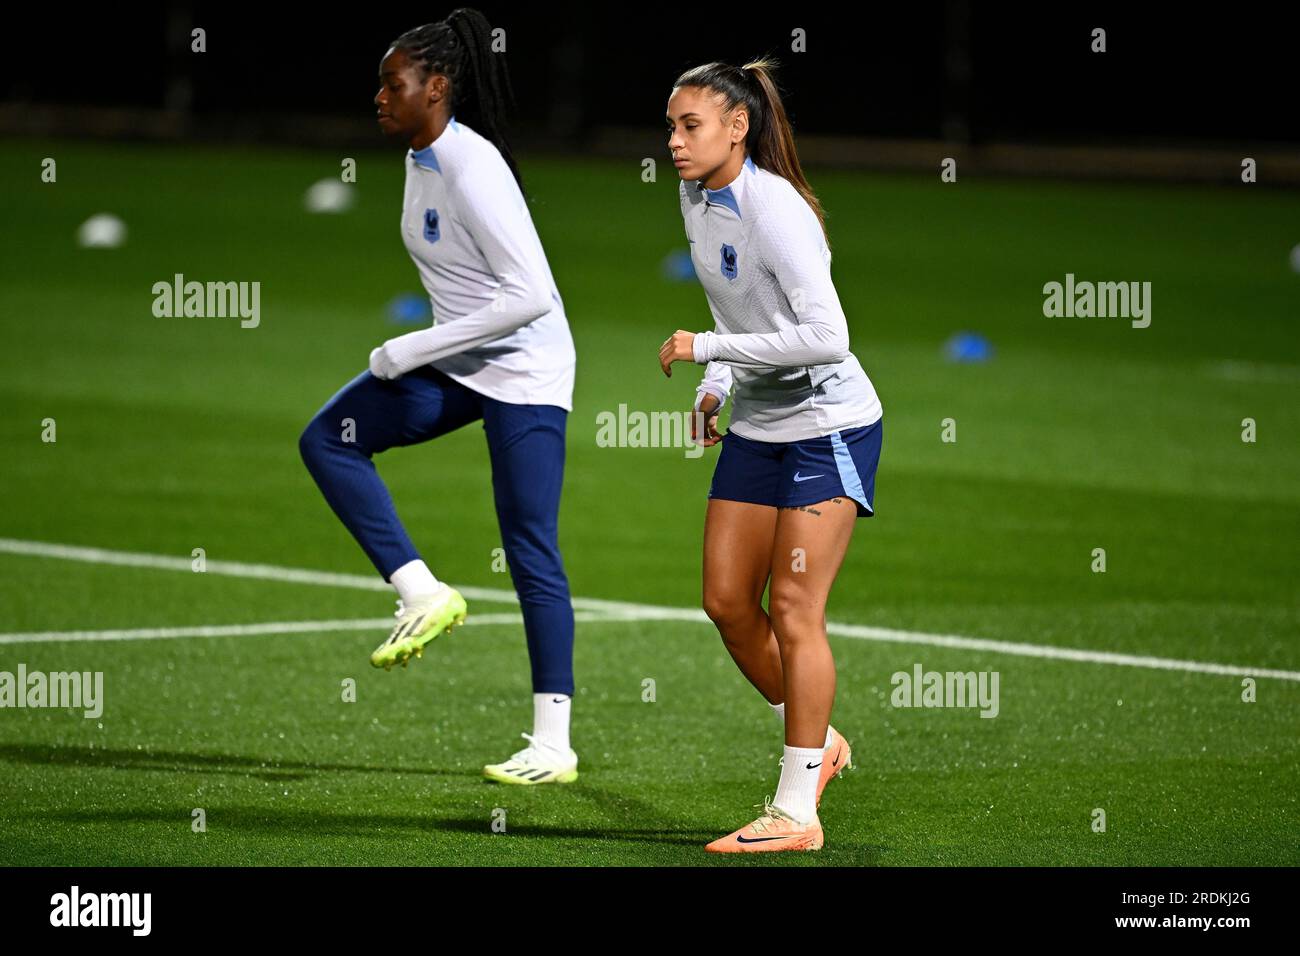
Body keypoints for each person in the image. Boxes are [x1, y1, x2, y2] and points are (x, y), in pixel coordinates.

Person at [299, 9, 580, 785]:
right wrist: (433, 345)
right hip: (463, 359)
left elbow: (531, 295)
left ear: (438, 86)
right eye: (381, 85)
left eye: (394, 85)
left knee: (529, 544)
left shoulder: (470, 165)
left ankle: (553, 746)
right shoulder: (421, 158)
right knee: (330, 438)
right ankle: (422, 593)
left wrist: (411, 348)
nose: (380, 98)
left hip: (525, 370)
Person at [659, 58, 884, 851]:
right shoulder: (694, 196)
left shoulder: (776, 207)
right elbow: (741, 304)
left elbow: (829, 336)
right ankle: (820, 744)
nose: (676, 143)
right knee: (726, 602)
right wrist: (717, 381)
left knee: (792, 609)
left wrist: (706, 347)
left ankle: (797, 810)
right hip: (758, 425)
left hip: (829, 427)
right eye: (671, 127)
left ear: (737, 126)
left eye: (691, 126)